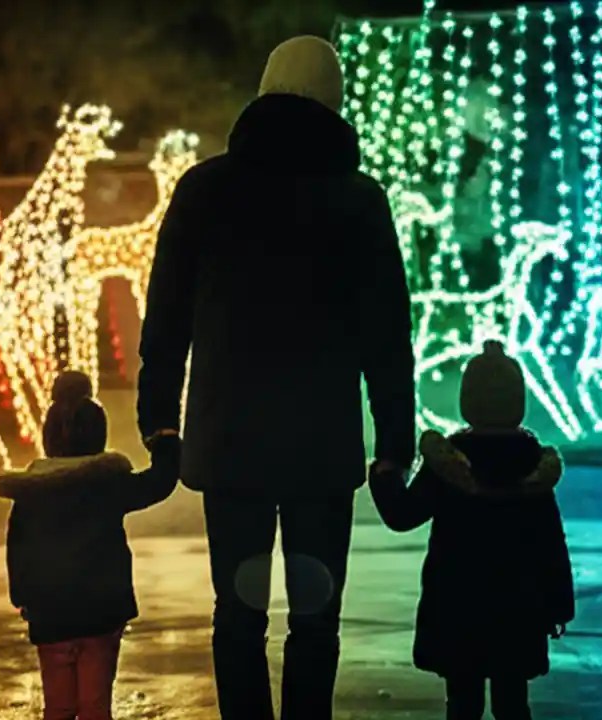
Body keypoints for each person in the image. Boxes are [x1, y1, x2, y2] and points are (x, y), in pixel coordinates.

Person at [135, 36, 415, 720]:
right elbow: (387, 338)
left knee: (238, 615)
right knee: (315, 620)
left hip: (230, 448)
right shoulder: (357, 201)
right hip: (321, 448)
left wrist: (160, 423)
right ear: (335, 102)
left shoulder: (204, 190)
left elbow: (165, 318)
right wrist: (393, 447)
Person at [369, 341, 575, 720]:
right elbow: (551, 544)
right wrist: (559, 604)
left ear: (468, 400)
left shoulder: (448, 464)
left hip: (458, 605)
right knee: (513, 702)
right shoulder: (533, 468)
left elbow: (403, 515)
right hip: (518, 608)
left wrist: (384, 477)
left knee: (461, 704)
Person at [0, 370, 180, 720]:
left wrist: (23, 597)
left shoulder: (32, 494)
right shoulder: (107, 484)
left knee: (59, 707)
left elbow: (17, 547)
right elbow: (160, 482)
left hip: (50, 614)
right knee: (95, 706)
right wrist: (165, 439)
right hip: (101, 612)